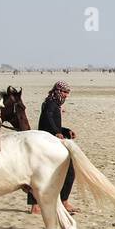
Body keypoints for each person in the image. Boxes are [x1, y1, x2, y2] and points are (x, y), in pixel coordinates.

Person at [34, 81, 76, 214]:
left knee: (68, 172)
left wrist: (65, 131)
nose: (66, 96)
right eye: (64, 92)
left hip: (53, 139)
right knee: (38, 173)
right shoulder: (50, 104)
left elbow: (54, 124)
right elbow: (48, 119)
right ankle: (36, 205)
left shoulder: (54, 104)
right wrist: (57, 132)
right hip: (46, 142)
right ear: (58, 91)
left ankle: (64, 201)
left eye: (67, 93)